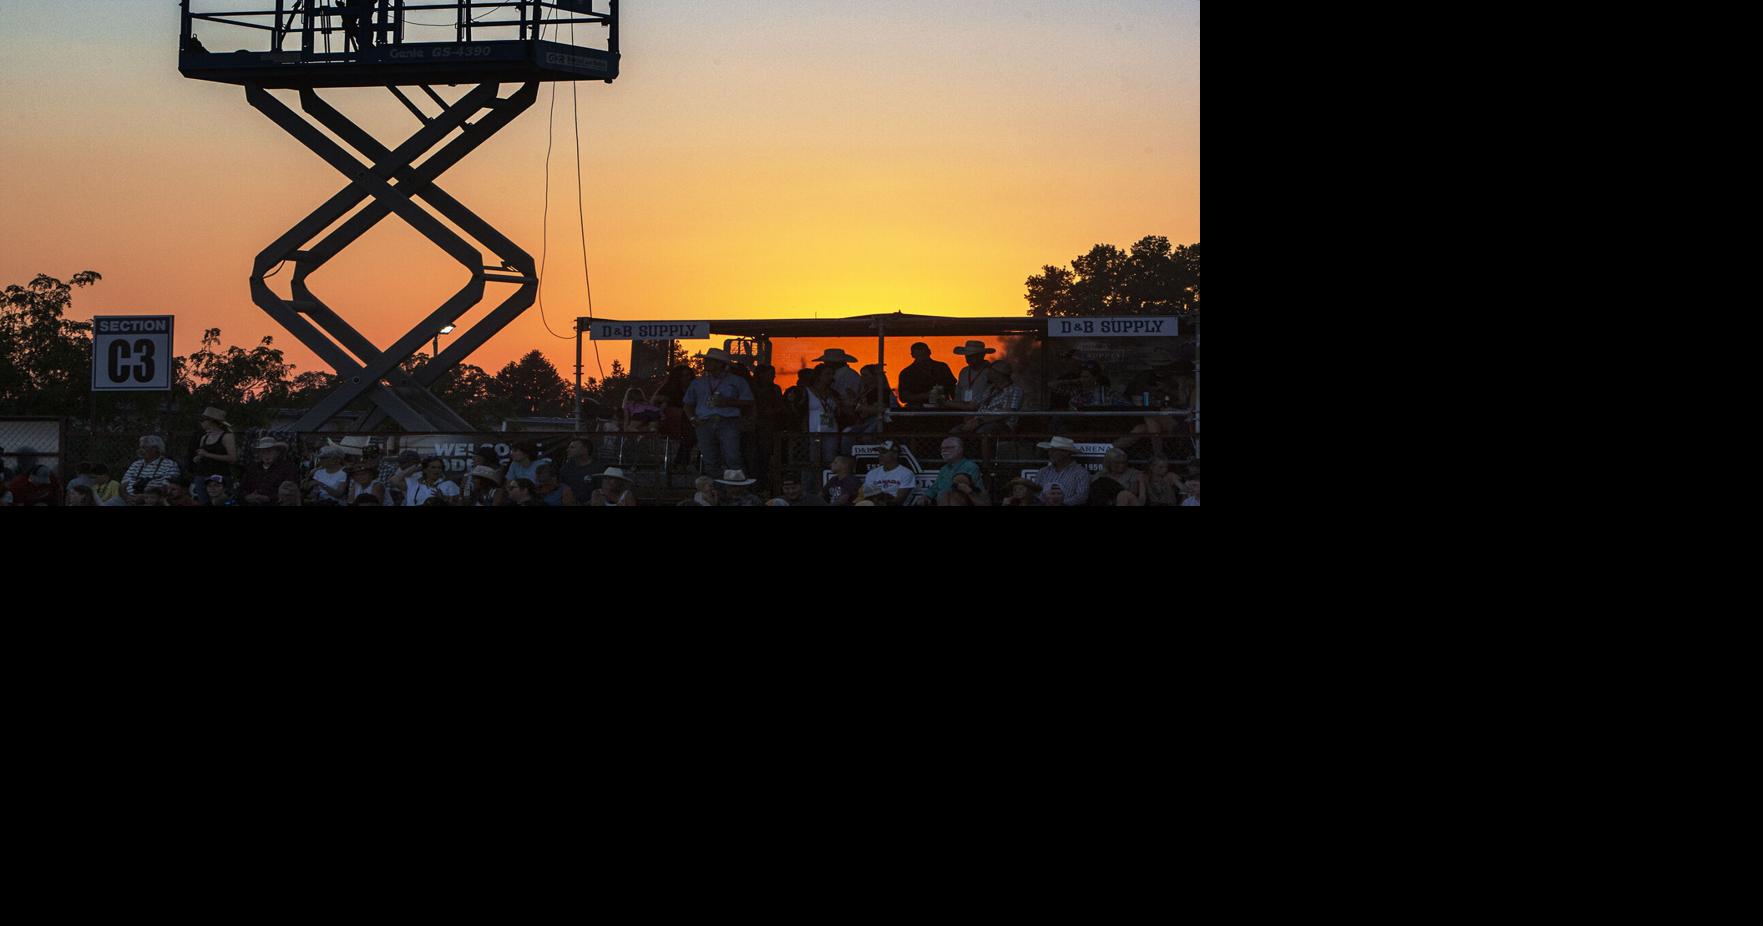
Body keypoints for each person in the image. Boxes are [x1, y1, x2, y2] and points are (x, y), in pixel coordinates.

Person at [682, 348, 754, 474]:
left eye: (709, 361)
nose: (705, 363)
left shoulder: (737, 381)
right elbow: (687, 404)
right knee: (710, 459)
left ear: (720, 363)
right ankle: (713, 490)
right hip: (704, 423)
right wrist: (693, 419)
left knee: (732, 457)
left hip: (728, 422)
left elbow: (748, 401)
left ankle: (737, 489)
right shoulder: (698, 383)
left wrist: (727, 402)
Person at [953, 361, 1023, 434]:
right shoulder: (990, 389)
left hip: (1000, 425)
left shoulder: (1014, 390)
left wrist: (979, 421)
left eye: (991, 370)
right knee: (955, 431)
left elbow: (1007, 412)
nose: (987, 373)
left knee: (982, 431)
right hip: (980, 423)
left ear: (999, 374)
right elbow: (975, 405)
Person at [190, 407, 238, 503]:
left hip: (220, 476)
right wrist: (198, 458)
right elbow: (202, 454)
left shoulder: (226, 436)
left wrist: (208, 454)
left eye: (203, 420)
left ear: (211, 421)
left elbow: (232, 458)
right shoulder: (204, 437)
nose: (201, 423)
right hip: (202, 475)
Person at [241, 437, 300, 506]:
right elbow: (242, 488)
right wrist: (246, 497)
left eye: (269, 451)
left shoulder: (288, 468)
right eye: (263, 451)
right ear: (259, 454)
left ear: (277, 452)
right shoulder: (252, 468)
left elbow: (291, 491)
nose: (266, 454)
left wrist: (269, 498)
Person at [122, 435, 181, 504]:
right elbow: (123, 485)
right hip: (129, 499)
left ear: (155, 449)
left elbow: (168, 488)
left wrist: (145, 497)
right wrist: (127, 497)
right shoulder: (136, 464)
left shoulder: (170, 465)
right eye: (140, 447)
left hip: (154, 501)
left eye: (144, 448)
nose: (140, 451)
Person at [929, 437, 987, 506]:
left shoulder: (970, 466)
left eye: (948, 448)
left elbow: (973, 491)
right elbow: (935, 487)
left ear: (960, 450)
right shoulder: (943, 469)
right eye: (942, 448)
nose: (944, 450)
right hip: (943, 501)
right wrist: (926, 496)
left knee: (948, 494)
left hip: (962, 502)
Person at [897, 342, 958, 408]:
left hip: (941, 409)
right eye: (919, 356)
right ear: (913, 355)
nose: (922, 358)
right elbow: (903, 398)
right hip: (917, 410)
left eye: (924, 355)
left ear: (929, 352)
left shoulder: (942, 367)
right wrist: (925, 395)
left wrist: (955, 406)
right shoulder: (907, 373)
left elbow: (953, 390)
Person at [1034, 436, 1091, 506]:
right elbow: (1036, 493)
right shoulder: (1043, 471)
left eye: (1054, 450)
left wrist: (1060, 503)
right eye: (1049, 450)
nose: (1050, 453)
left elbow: (1081, 497)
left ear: (1066, 453)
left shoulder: (1081, 473)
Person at [860, 441, 916, 506]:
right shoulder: (872, 473)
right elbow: (867, 495)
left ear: (895, 454)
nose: (880, 456)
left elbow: (900, 499)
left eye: (884, 452)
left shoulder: (906, 473)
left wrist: (882, 502)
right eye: (879, 453)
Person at [945, 341, 997, 411]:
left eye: (972, 356)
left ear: (982, 355)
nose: (968, 358)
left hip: (983, 411)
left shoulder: (991, 371)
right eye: (967, 356)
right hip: (963, 411)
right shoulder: (964, 371)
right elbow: (958, 392)